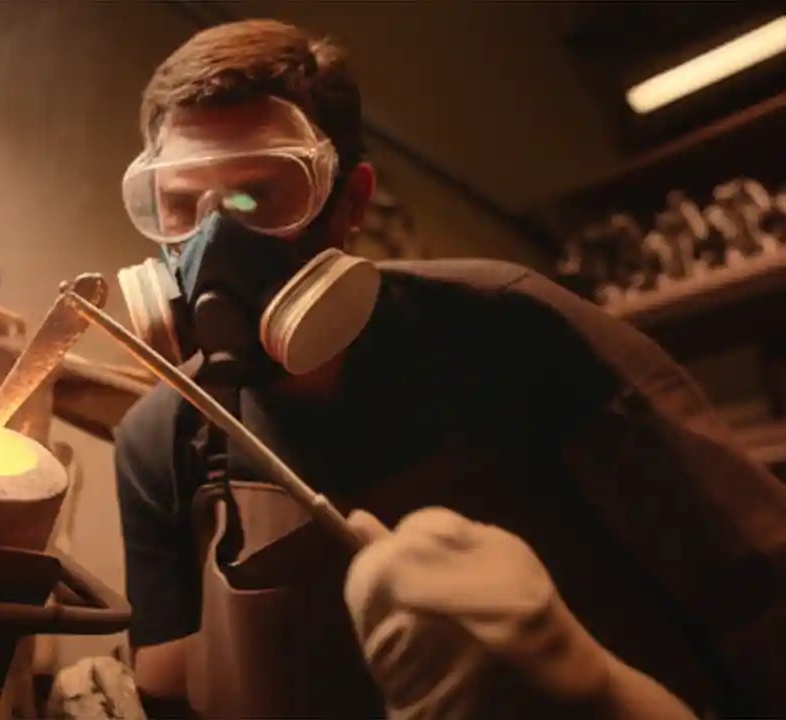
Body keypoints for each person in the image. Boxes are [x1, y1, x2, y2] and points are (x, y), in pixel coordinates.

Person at [112, 18, 786, 719]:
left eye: (259, 196)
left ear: (352, 202)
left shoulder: (511, 328)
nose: (216, 240)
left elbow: (758, 586)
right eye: (181, 206)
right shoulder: (161, 443)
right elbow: (169, 689)